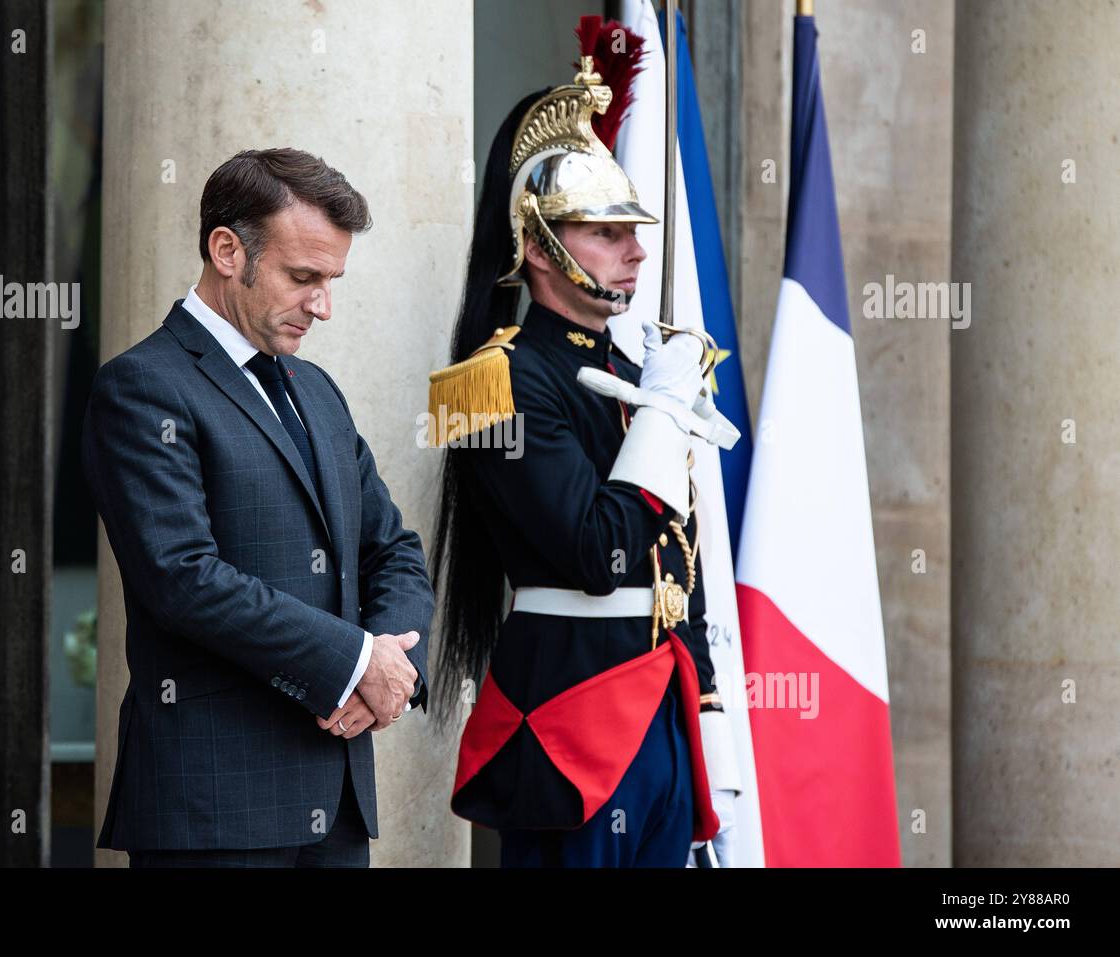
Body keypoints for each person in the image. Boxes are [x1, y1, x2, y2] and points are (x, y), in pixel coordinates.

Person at [428, 17, 740, 867]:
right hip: (569, 709)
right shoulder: (493, 382)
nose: (636, 253)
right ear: (537, 246)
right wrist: (664, 419)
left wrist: (706, 695)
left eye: (633, 230)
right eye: (607, 233)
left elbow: (677, 548)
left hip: (660, 700)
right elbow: (595, 549)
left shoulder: (632, 369)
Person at [84, 148, 433, 867]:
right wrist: (354, 659)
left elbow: (392, 548)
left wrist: (388, 671)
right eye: (303, 277)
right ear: (226, 251)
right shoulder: (141, 386)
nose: (322, 305)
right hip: (213, 812)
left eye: (331, 281)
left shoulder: (317, 390)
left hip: (335, 804)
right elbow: (182, 578)